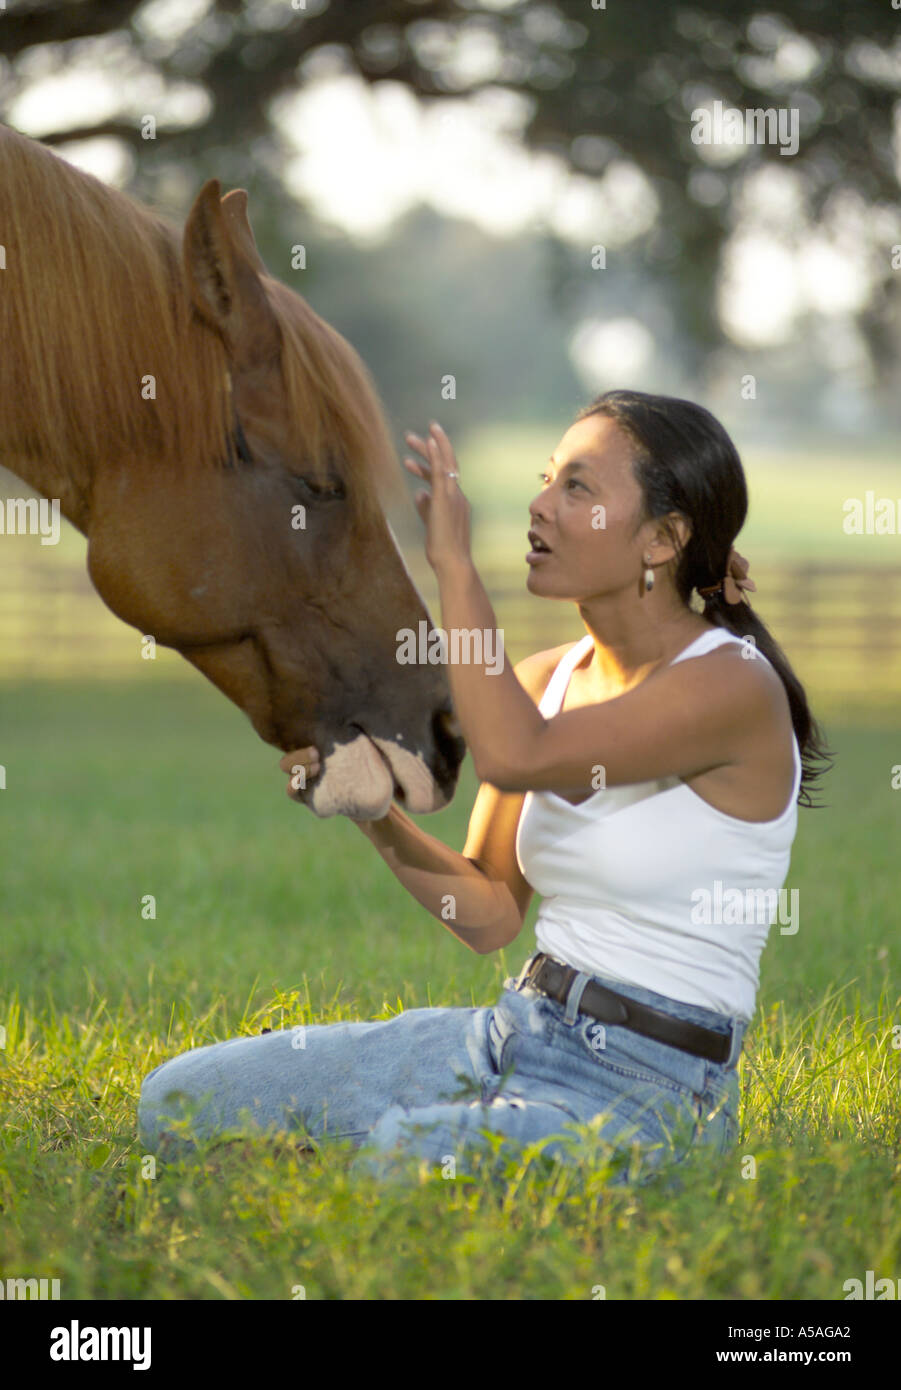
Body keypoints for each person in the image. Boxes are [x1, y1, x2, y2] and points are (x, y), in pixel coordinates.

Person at [137, 389, 832, 1185]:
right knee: (178, 1105)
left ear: (662, 540)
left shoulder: (728, 689)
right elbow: (490, 914)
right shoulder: (545, 681)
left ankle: (415, 1152)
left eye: (577, 487)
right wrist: (376, 818)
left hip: (654, 1087)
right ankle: (413, 1141)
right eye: (546, 479)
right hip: (515, 1032)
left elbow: (514, 755)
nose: (540, 505)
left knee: (400, 1164)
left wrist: (454, 567)